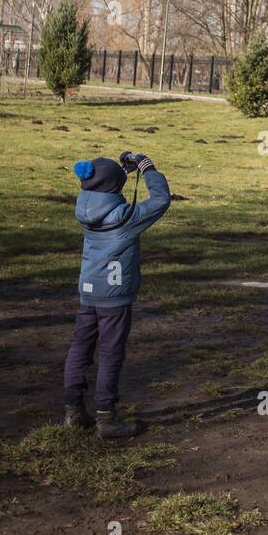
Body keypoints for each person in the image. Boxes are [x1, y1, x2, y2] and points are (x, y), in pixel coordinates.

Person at [63, 151, 171, 439]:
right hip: (115, 299)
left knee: (80, 350)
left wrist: (118, 172)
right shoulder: (126, 219)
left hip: (88, 292)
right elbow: (160, 200)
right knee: (111, 354)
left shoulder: (85, 209)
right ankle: (106, 419)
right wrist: (149, 169)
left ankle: (73, 411)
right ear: (113, 187)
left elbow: (100, 188)